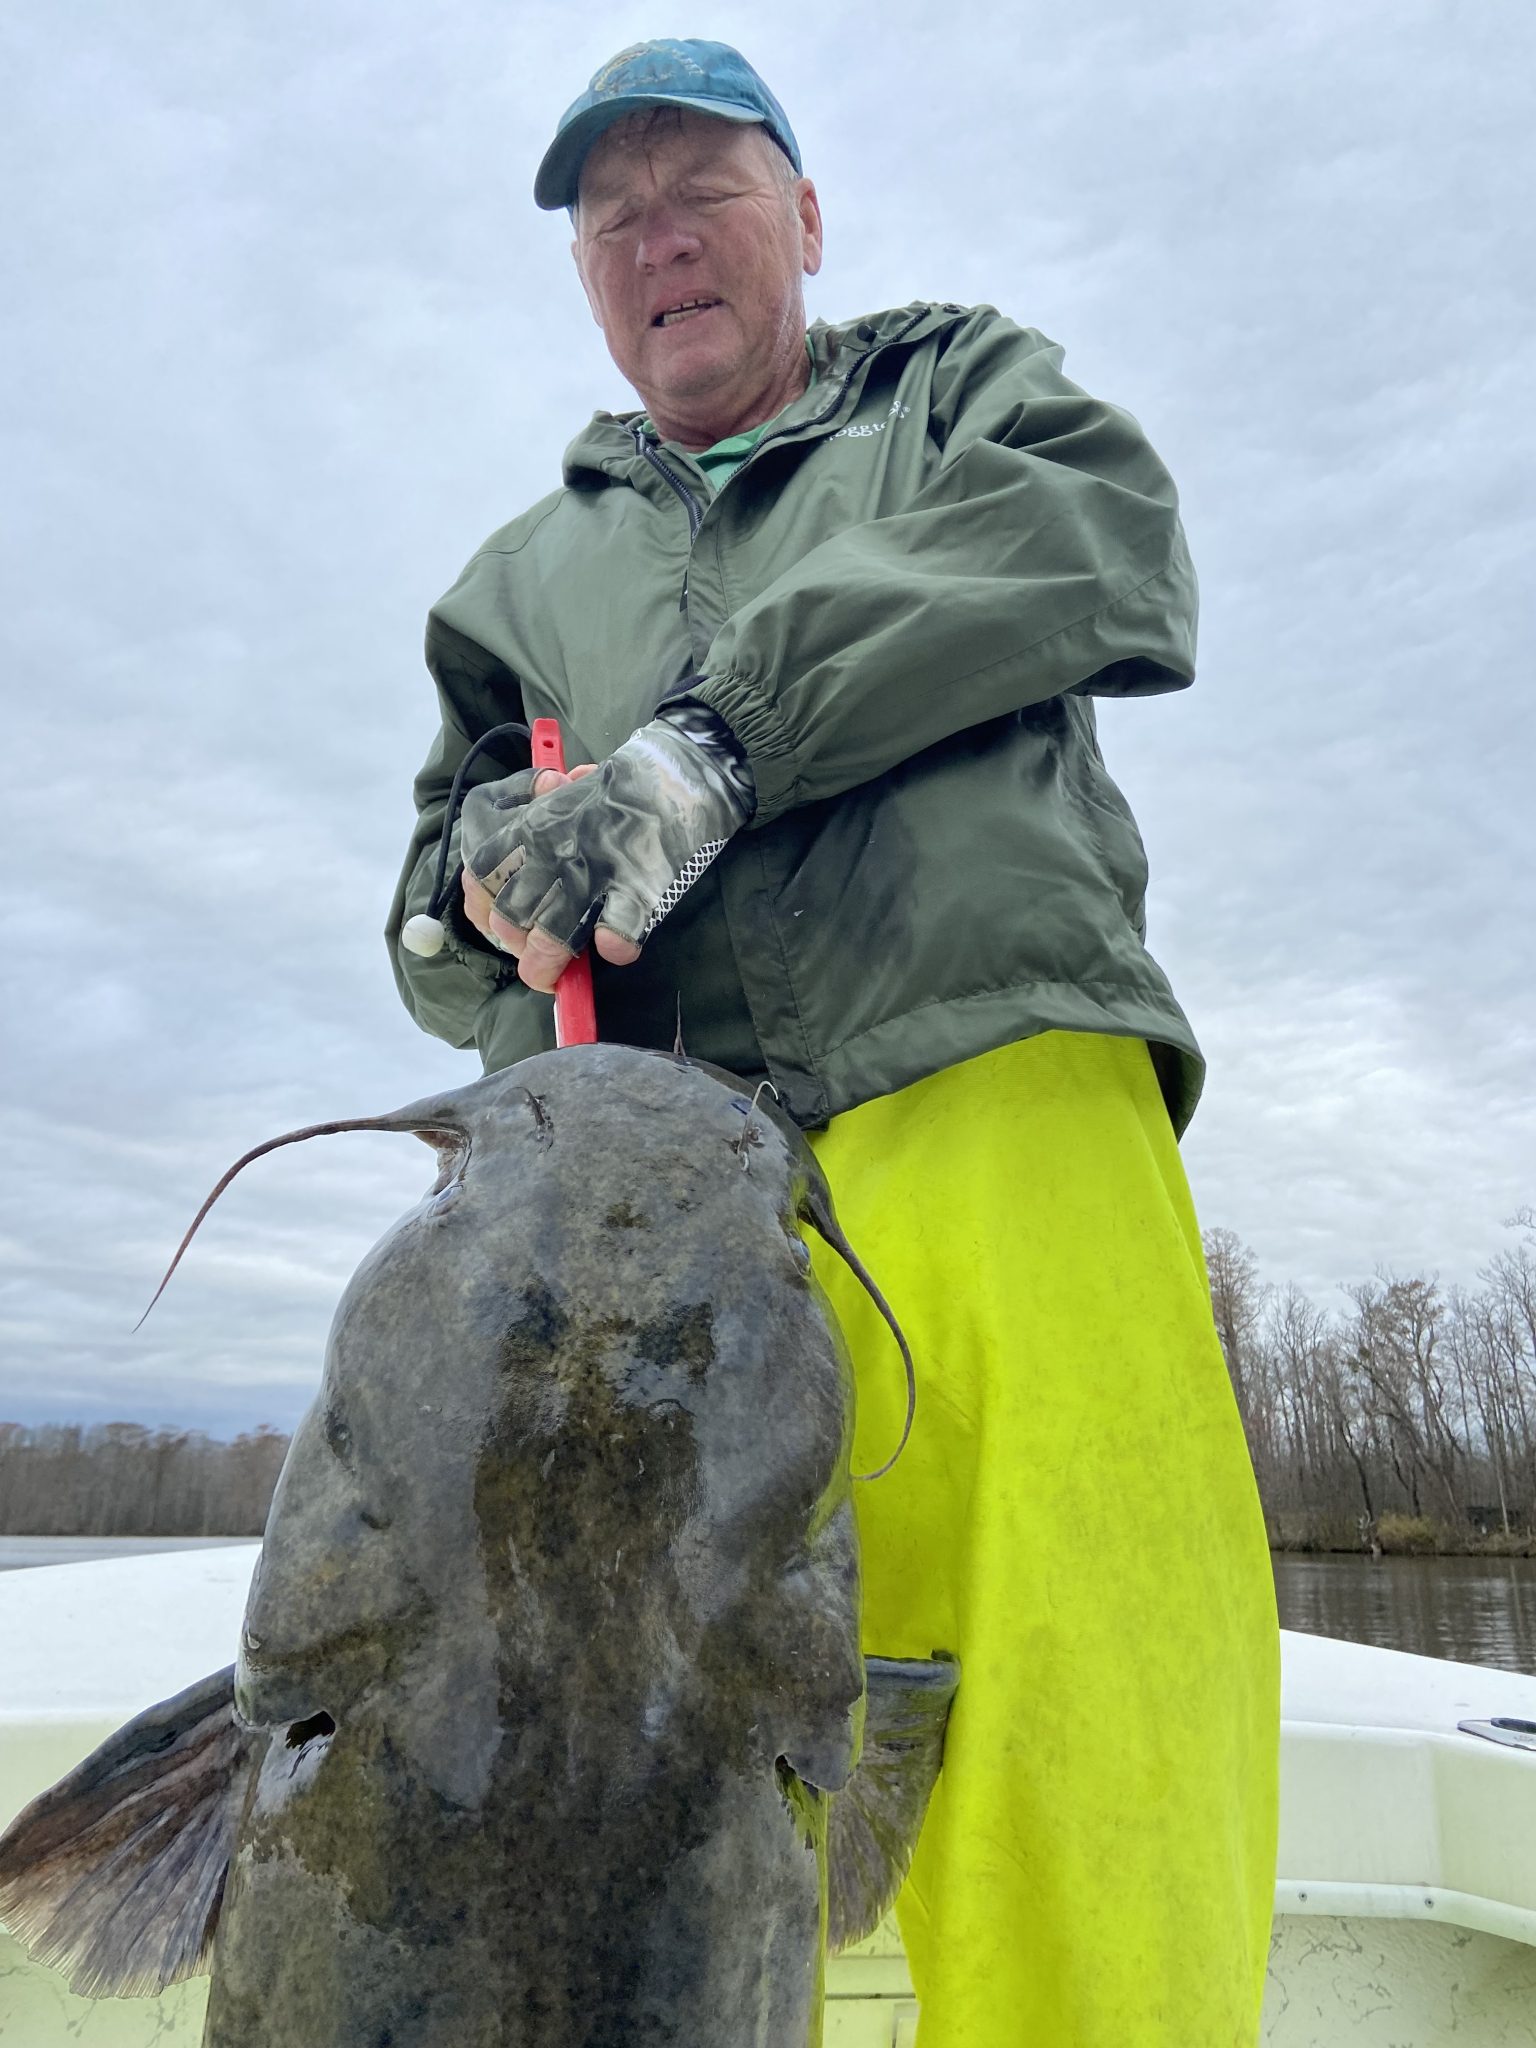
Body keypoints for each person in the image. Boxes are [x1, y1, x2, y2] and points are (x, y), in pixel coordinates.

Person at [388, 38, 1278, 2047]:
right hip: (658, 1234)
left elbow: (1113, 542)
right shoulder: (517, 585)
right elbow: (436, 933)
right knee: (636, 1771)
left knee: (1090, 1717)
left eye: (702, 185)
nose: (659, 236)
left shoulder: (961, 396)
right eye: (612, 218)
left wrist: (718, 744)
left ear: (806, 217)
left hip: (997, 1098)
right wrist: (482, 878)